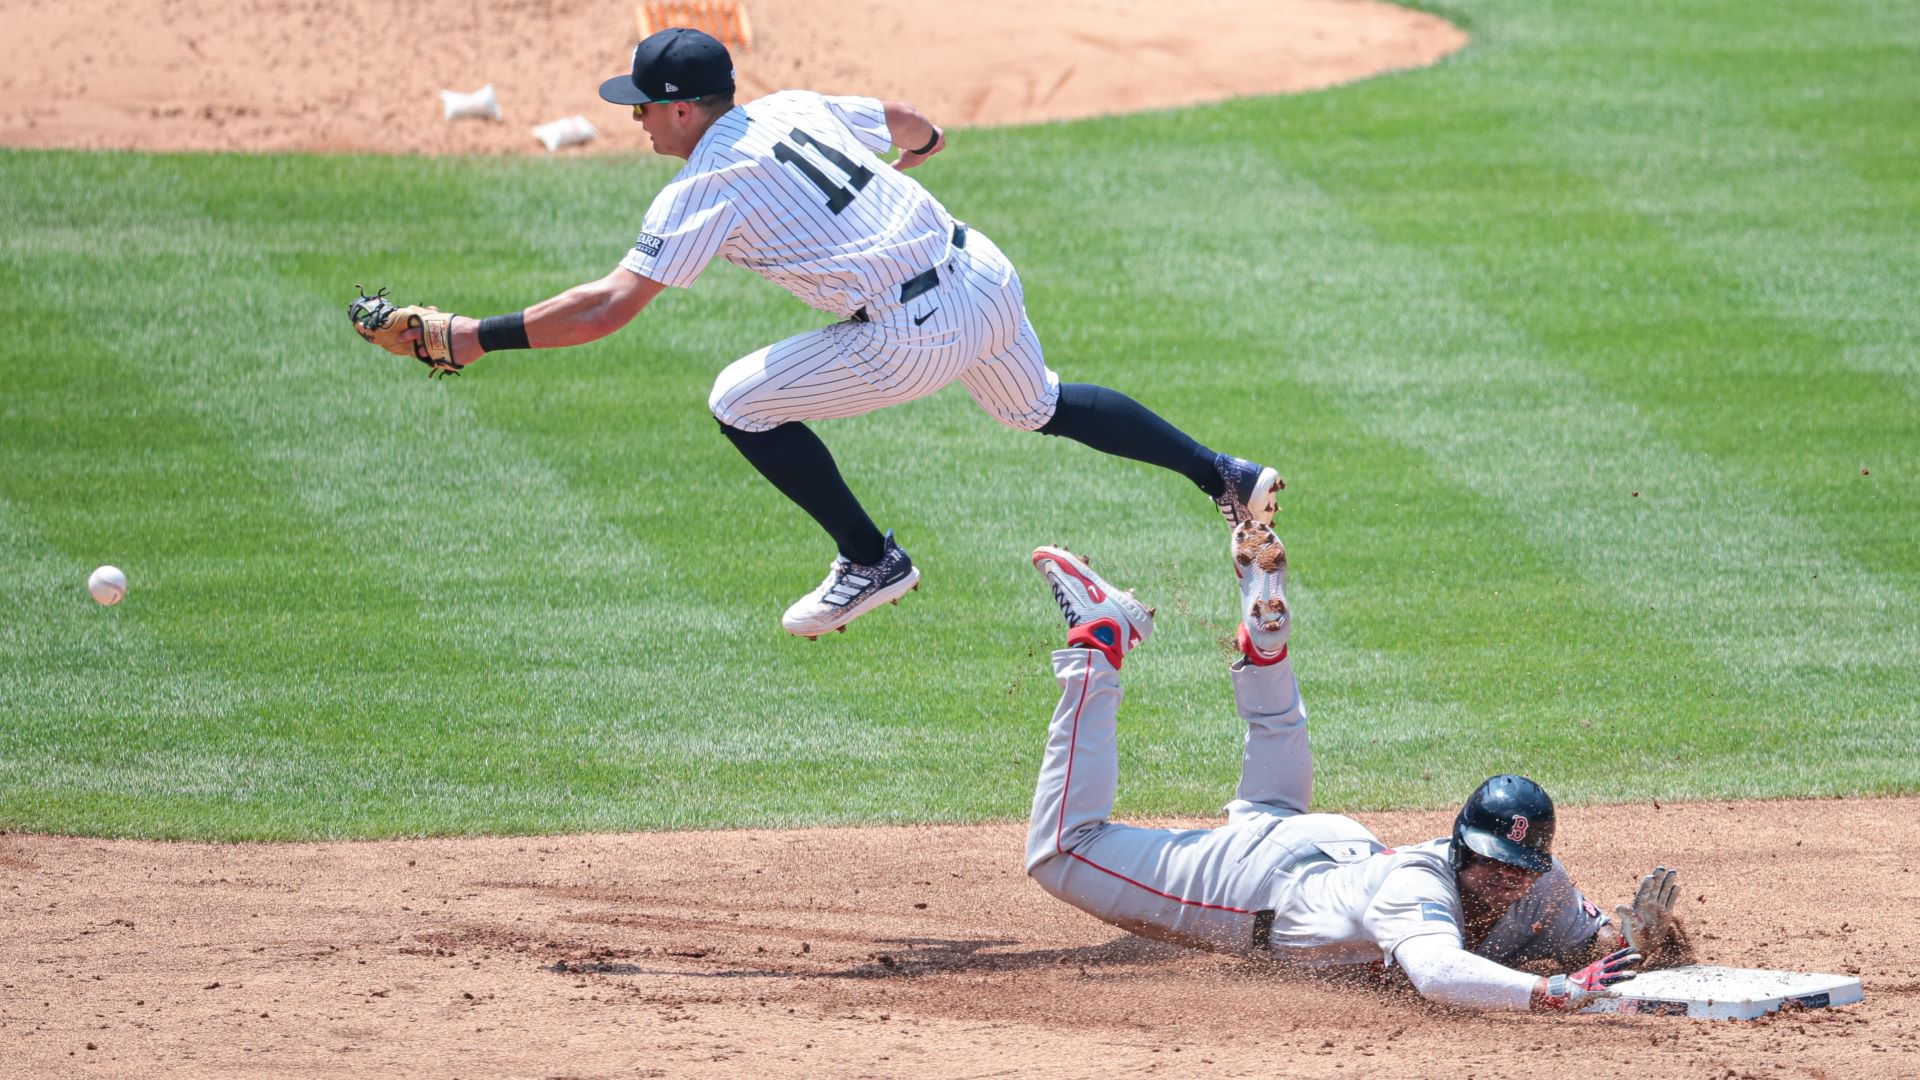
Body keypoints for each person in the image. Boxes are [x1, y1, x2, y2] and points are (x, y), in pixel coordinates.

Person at [350, 27, 1282, 640]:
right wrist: (915, 154)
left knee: (737, 401)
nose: (632, 118)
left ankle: (871, 558)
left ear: (683, 108)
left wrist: (469, 337)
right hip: (980, 270)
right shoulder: (789, 105)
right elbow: (911, 124)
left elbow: (609, 305)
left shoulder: (708, 181)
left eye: (641, 103)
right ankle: (1224, 475)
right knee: (1035, 405)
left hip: (911, 328)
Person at [1023, 521, 1687, 1011]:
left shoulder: (1542, 887)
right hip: (1248, 888)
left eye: (1517, 870)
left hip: (1325, 851)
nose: (1502, 882)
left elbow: (1594, 940)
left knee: (1274, 763)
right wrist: (1547, 992)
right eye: (1489, 863)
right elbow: (1438, 973)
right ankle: (1097, 644)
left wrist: (1634, 932)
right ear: (1460, 846)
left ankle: (1267, 653)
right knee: (1062, 851)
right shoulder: (1418, 891)